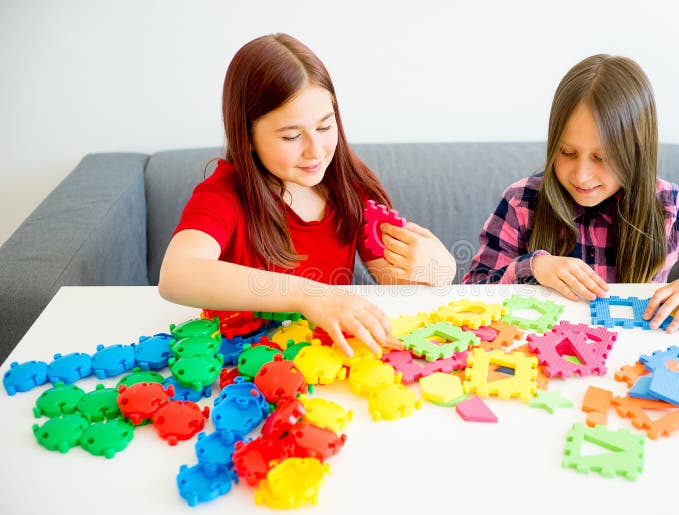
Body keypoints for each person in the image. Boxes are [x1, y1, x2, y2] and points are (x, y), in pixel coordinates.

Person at [159, 34, 456, 355]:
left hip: (327, 362)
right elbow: (176, 274)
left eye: (325, 127)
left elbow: (397, 287)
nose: (315, 151)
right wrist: (309, 294)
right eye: (291, 135)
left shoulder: (348, 189)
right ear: (246, 137)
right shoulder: (223, 194)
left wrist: (440, 269)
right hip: (241, 371)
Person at [463, 54, 679, 333]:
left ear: (636, 153)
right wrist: (534, 268)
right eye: (567, 153)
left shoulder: (669, 208)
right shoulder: (522, 201)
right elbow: (471, 292)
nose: (581, 174)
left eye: (602, 158)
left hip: (634, 363)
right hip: (538, 360)